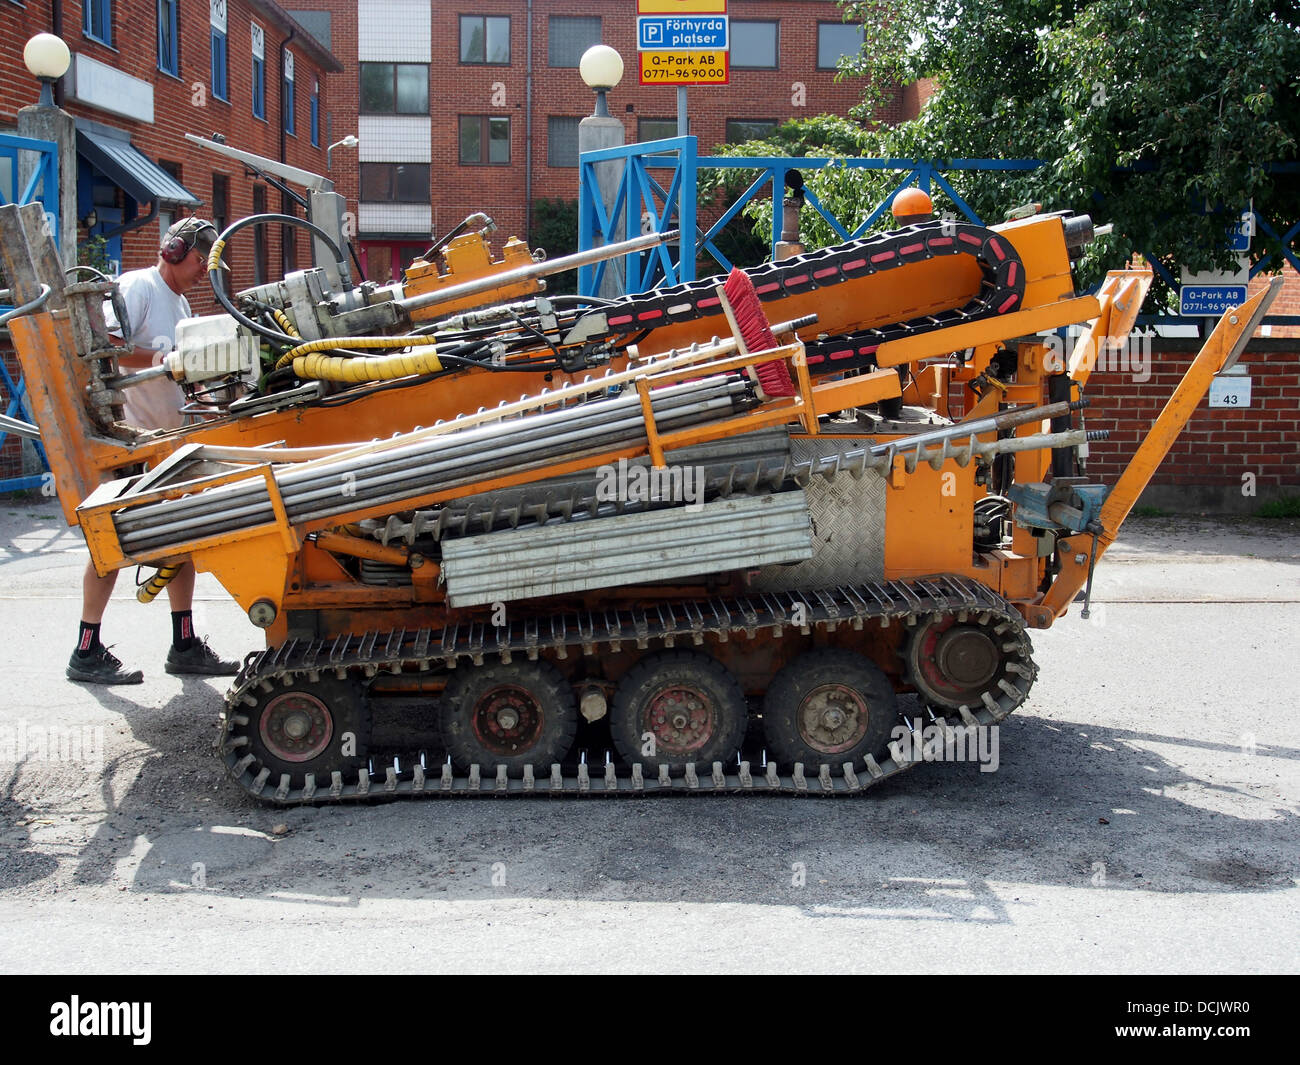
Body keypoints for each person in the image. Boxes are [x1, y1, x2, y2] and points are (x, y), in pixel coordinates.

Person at [67, 217, 240, 685]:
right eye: (201, 260)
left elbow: (179, 374)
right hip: (131, 441)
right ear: (175, 250)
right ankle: (86, 650)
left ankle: (183, 644)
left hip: (167, 442)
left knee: (179, 538)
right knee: (112, 541)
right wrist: (164, 361)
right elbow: (105, 349)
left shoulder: (181, 303)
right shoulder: (137, 287)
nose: (205, 270)